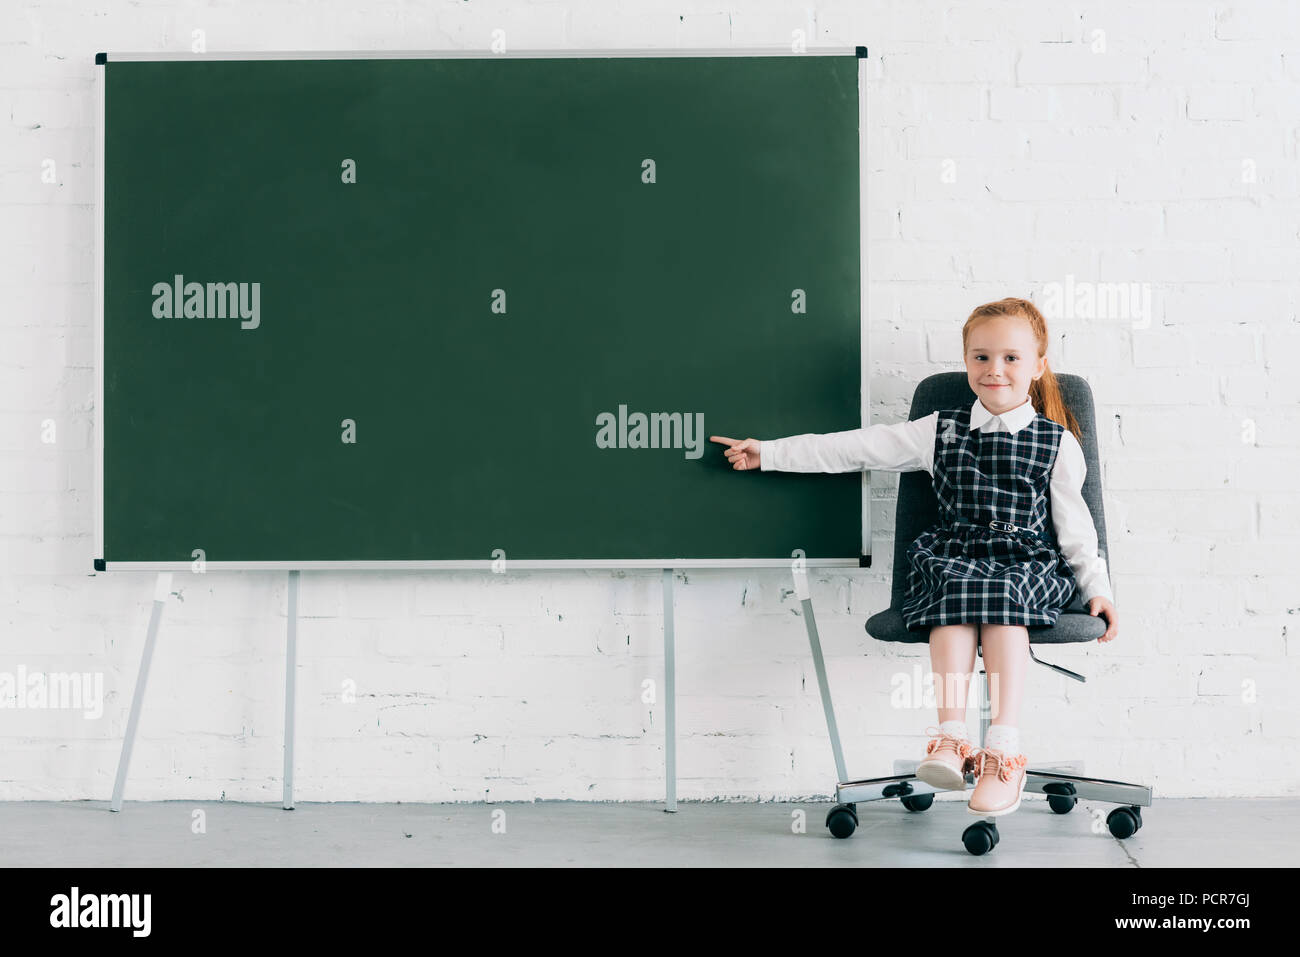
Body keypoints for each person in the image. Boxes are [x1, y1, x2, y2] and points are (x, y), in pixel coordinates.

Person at [709, 297, 1118, 817]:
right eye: (981, 357)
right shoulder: (937, 429)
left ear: (1038, 366)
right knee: (954, 591)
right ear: (966, 360)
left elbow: (1077, 528)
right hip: (955, 555)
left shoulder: (1056, 443)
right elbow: (854, 448)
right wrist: (768, 452)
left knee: (1002, 596)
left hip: (1026, 563)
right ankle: (951, 740)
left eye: (1012, 358)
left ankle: (1004, 752)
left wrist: (1097, 589)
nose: (995, 370)